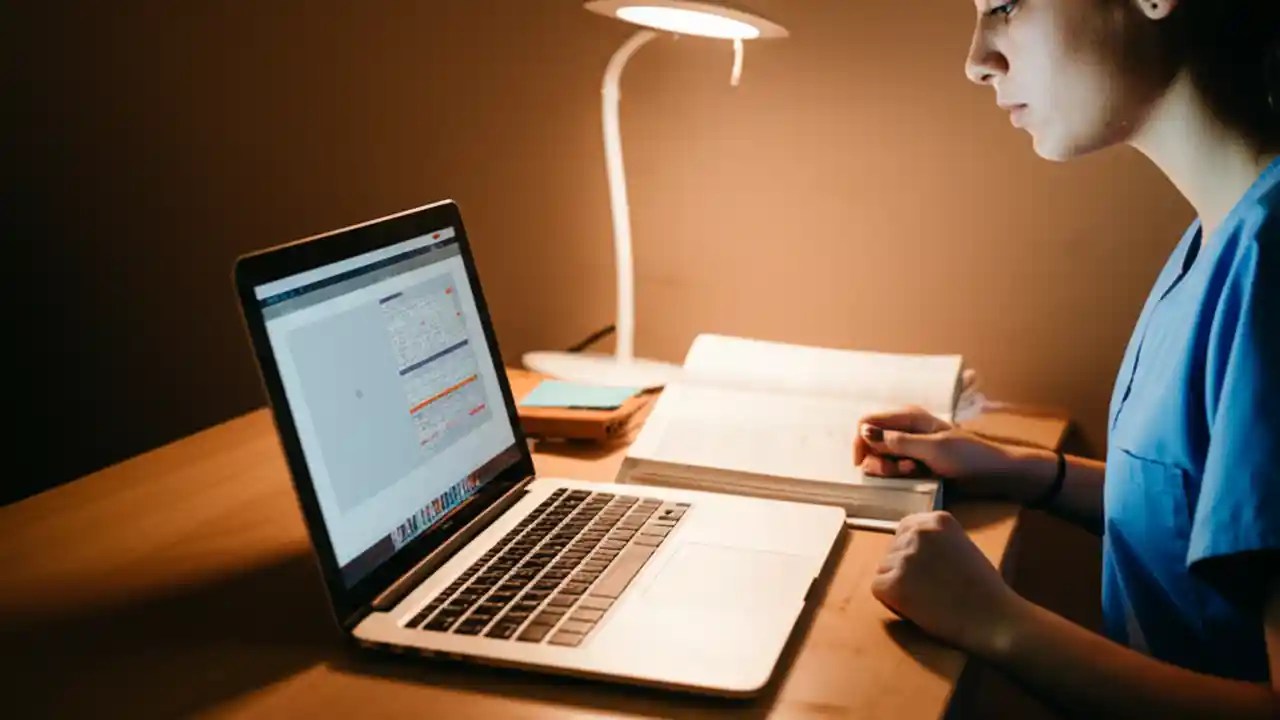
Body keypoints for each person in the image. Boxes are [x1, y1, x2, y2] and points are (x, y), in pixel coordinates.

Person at [852, 0, 1280, 717]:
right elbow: (1200, 502)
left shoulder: (1267, 271)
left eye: (1006, 6)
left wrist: (995, 621)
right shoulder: (1220, 235)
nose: (976, 58)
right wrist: (1021, 470)